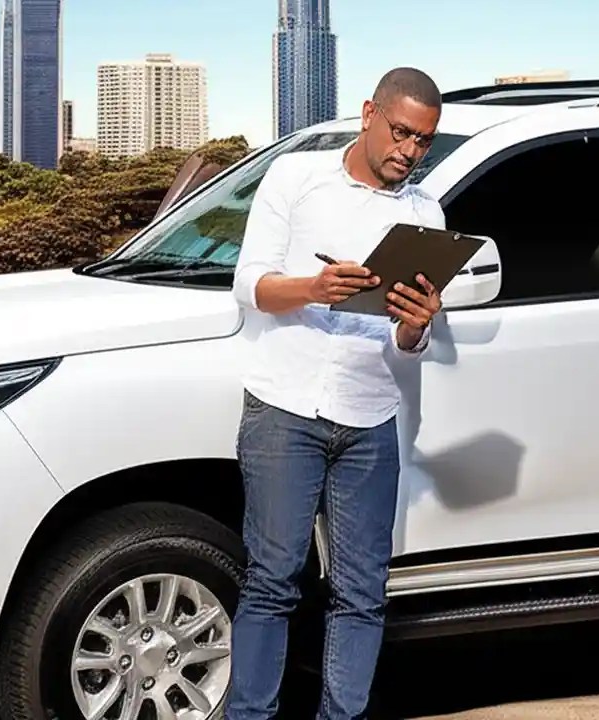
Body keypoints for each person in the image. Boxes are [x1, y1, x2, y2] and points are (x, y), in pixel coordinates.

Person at [226, 67, 446, 720]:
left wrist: (415, 324)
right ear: (369, 113)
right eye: (401, 132)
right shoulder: (298, 178)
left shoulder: (425, 213)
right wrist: (314, 290)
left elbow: (411, 345)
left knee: (363, 593)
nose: (408, 150)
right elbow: (250, 285)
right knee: (272, 583)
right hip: (284, 407)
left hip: (370, 414)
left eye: (423, 141)